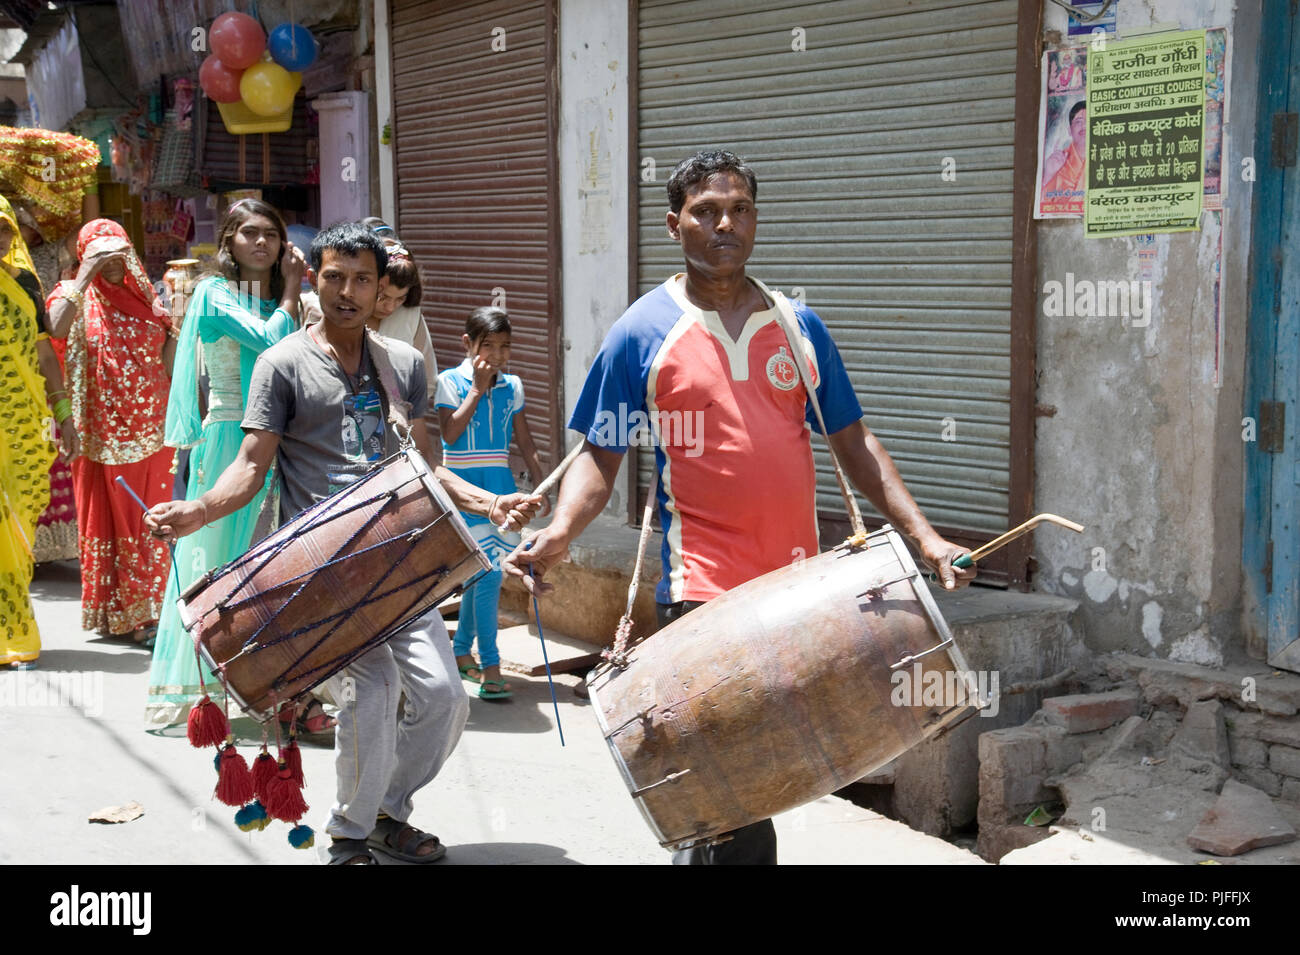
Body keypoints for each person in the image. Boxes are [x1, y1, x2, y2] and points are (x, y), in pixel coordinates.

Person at [503, 149, 976, 865]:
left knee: (748, 791)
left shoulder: (798, 325)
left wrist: (926, 538)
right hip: (701, 598)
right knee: (735, 805)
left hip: (800, 598)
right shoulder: (641, 331)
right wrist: (562, 531)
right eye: (707, 211)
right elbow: (601, 456)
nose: (727, 223)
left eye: (741, 209)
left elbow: (854, 441)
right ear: (674, 224)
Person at [145, 223, 542, 865]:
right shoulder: (282, 365)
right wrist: (199, 506)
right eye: (334, 277)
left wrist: (490, 502)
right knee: (375, 690)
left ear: (382, 288)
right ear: (316, 279)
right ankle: (349, 836)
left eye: (362, 279)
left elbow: (426, 466)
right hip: (322, 575)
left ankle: (387, 811)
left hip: (402, 564)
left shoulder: (404, 364)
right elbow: (251, 463)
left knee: (443, 699)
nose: (348, 291)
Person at [144, 199, 304, 728]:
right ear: (230, 242)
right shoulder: (214, 293)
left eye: (272, 235)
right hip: (228, 442)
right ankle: (193, 684)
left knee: (263, 566)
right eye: (250, 234)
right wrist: (290, 291)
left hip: (274, 443)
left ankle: (253, 678)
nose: (263, 243)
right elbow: (270, 343)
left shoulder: (277, 299)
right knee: (211, 563)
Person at [46, 219, 175, 643]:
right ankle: (122, 614)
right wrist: (84, 275)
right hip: (97, 436)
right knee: (113, 521)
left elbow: (172, 365)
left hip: (154, 435)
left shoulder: (152, 302)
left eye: (118, 253)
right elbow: (54, 330)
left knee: (147, 522)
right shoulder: (73, 298)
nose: (112, 263)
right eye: (100, 255)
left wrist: (179, 325)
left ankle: (148, 614)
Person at [436, 306, 545, 699]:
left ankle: (461, 651)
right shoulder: (450, 382)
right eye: (489, 346)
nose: (497, 355)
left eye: (505, 347)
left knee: (483, 575)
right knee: (490, 575)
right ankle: (491, 665)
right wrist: (478, 389)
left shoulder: (513, 386)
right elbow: (449, 435)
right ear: (468, 344)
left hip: (500, 483)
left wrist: (539, 479)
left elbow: (525, 438)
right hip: (465, 490)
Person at [0, 195, 75, 668]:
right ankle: (15, 632)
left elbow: (46, 355)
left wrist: (64, 415)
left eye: (4, 228)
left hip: (24, 425)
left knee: (21, 515)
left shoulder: (25, 283)